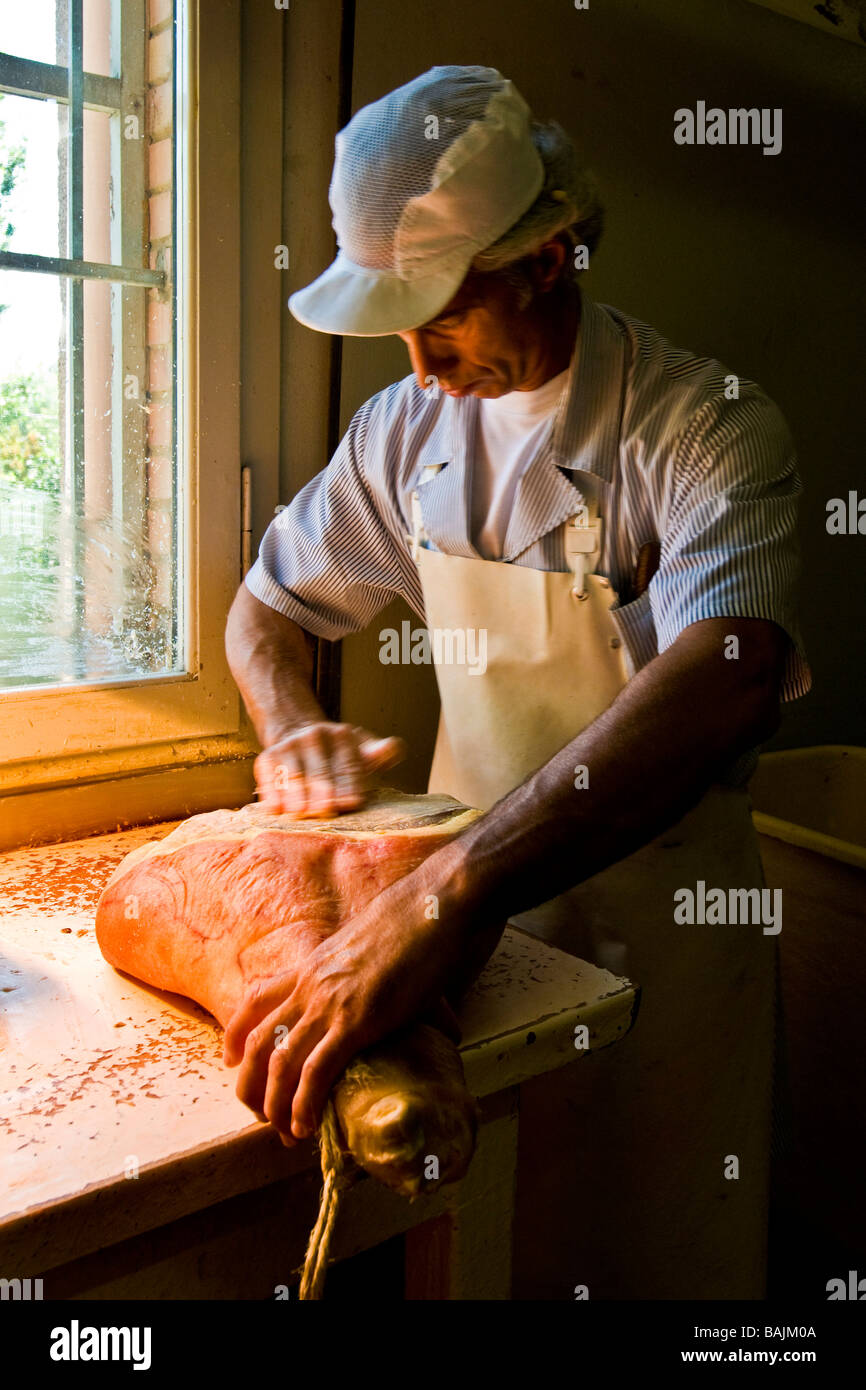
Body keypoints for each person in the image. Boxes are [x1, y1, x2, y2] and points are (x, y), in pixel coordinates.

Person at [222, 65, 811, 1298]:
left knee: (656, 1256)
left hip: (663, 943)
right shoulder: (402, 432)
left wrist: (448, 889)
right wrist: (288, 727)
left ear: (545, 261)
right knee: (488, 1257)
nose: (418, 362)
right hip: (455, 954)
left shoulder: (704, 426)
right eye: (397, 324)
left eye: (440, 312)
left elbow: (725, 678)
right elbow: (267, 607)